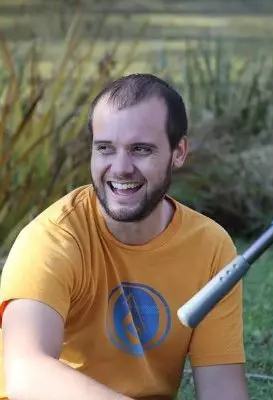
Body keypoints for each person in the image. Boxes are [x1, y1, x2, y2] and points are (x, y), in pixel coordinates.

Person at [0, 74, 249, 400]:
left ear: (179, 151)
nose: (120, 168)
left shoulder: (210, 246)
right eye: (105, 148)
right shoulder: (53, 240)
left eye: (140, 149)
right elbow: (24, 372)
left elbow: (222, 388)